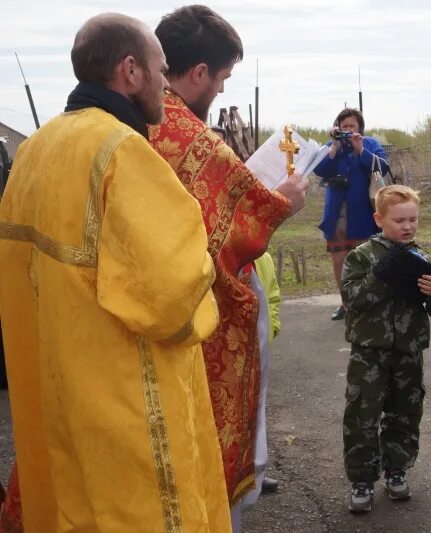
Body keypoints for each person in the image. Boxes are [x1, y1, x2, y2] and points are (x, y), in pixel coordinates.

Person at [0, 13, 231, 531]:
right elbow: (171, 294)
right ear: (130, 71)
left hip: (55, 386)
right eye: (160, 68)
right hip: (120, 394)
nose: (165, 83)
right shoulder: (123, 152)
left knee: (69, 503)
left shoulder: (36, 148)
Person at [147, 5, 307, 528]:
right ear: (197, 73)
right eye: (221, 79)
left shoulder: (133, 123)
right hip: (191, 316)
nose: (220, 91)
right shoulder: (188, 135)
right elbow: (229, 231)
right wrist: (281, 202)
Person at [341, 185, 431, 513]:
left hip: (408, 352)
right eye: (399, 220)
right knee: (362, 414)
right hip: (369, 352)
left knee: (404, 413)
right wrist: (381, 274)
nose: (407, 226)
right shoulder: (362, 256)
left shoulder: (422, 259)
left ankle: (396, 471)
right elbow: (353, 300)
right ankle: (362, 479)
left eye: (413, 220)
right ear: (379, 219)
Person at [315, 108, 388, 321]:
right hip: (337, 213)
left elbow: (382, 167)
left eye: (351, 126)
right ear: (337, 128)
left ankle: (368, 302)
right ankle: (346, 304)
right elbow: (319, 169)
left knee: (366, 259)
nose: (347, 130)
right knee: (339, 260)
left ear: (360, 128)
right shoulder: (332, 146)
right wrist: (335, 147)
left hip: (363, 212)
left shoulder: (370, 144)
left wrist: (361, 150)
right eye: (343, 127)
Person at [252, 252, 282, 495]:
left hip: (259, 347)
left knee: (257, 408)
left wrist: (272, 325)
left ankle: (256, 471)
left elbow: (272, 295)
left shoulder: (264, 257)